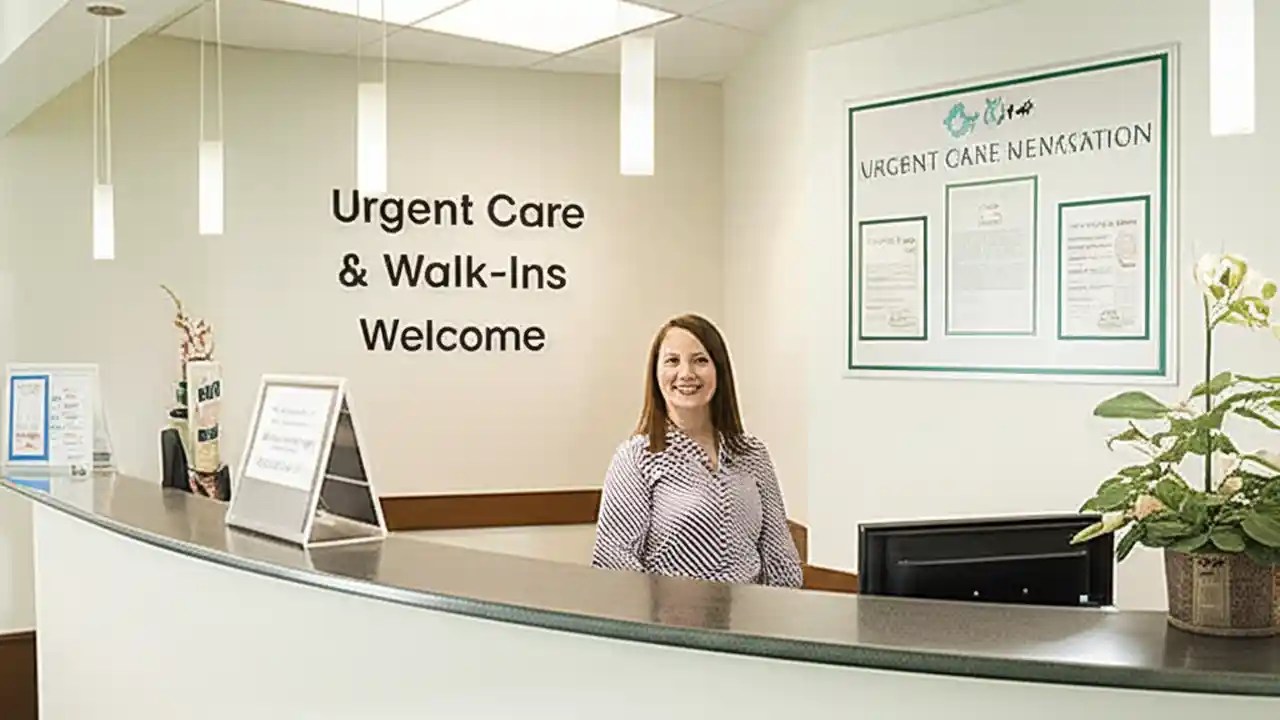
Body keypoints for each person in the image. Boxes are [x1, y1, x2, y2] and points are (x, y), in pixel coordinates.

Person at [590, 314, 803, 588]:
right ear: (656, 374)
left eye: (700, 360)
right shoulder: (636, 458)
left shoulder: (753, 455)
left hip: (751, 612)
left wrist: (776, 609)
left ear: (719, 370)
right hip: (667, 614)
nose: (686, 373)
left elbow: (782, 562)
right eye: (672, 361)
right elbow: (613, 559)